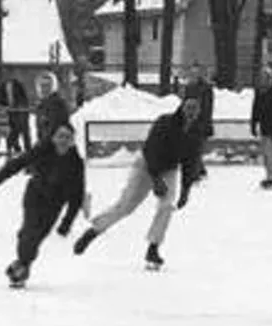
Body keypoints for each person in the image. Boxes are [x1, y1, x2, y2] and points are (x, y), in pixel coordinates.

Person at [72, 91, 206, 270]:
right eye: (188, 106)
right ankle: (94, 230)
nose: (191, 111)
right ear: (181, 106)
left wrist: (186, 190)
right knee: (126, 205)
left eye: (195, 108)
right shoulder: (165, 122)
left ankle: (153, 247)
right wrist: (156, 179)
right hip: (147, 165)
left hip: (170, 169)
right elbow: (151, 150)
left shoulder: (197, 131)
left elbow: (192, 161)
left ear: (199, 111)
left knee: (166, 206)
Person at [0, 120, 87, 288]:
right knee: (30, 232)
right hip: (35, 197)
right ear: (52, 138)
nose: (63, 140)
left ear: (73, 140)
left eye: (68, 137)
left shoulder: (76, 162)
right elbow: (15, 165)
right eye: (60, 136)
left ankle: (22, 265)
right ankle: (21, 267)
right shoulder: (41, 150)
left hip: (55, 205)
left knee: (36, 238)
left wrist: (67, 222)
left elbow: (77, 195)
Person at [250, 67, 272, 190]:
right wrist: (253, 125)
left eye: (266, 78)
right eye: (262, 78)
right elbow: (255, 110)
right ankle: (271, 174)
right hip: (264, 128)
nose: (264, 81)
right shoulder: (259, 94)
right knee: (266, 154)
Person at [0, 75, 32, 156]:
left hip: (20, 110)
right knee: (12, 130)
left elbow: (24, 96)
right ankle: (12, 147)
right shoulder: (3, 85)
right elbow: (0, 97)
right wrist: (3, 106)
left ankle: (28, 148)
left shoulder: (18, 84)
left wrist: (23, 107)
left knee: (24, 129)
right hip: (10, 111)